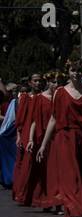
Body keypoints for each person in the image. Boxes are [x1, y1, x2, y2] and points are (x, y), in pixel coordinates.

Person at [36, 60, 82, 217]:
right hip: (64, 139)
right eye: (74, 70)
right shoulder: (60, 93)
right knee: (71, 176)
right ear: (68, 71)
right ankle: (76, 212)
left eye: (80, 70)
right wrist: (44, 145)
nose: (77, 73)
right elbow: (54, 118)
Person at [17, 73, 56, 210]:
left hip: (56, 137)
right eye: (35, 81)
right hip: (38, 135)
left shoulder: (57, 97)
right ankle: (34, 196)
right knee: (35, 167)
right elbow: (26, 120)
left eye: (40, 81)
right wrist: (24, 137)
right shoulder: (30, 98)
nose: (38, 83)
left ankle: (52, 200)